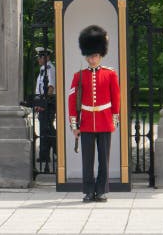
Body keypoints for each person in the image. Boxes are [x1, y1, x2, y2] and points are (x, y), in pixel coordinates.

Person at [68, 25, 120, 203]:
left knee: (103, 160)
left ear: (100, 55)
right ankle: (89, 191)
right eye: (89, 56)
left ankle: (102, 190)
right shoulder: (79, 76)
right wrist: (74, 125)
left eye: (95, 56)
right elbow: (72, 101)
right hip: (87, 122)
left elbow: (116, 98)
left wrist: (114, 119)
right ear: (86, 55)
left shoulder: (110, 74)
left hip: (105, 121)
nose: (92, 59)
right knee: (87, 160)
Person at [34, 47, 56, 171]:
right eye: (39, 57)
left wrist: (43, 103)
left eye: (40, 57)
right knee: (45, 130)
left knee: (47, 129)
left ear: (47, 57)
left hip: (48, 103)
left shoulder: (50, 69)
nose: (38, 59)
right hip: (42, 101)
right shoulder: (43, 69)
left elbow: (51, 87)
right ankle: (45, 155)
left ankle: (56, 151)